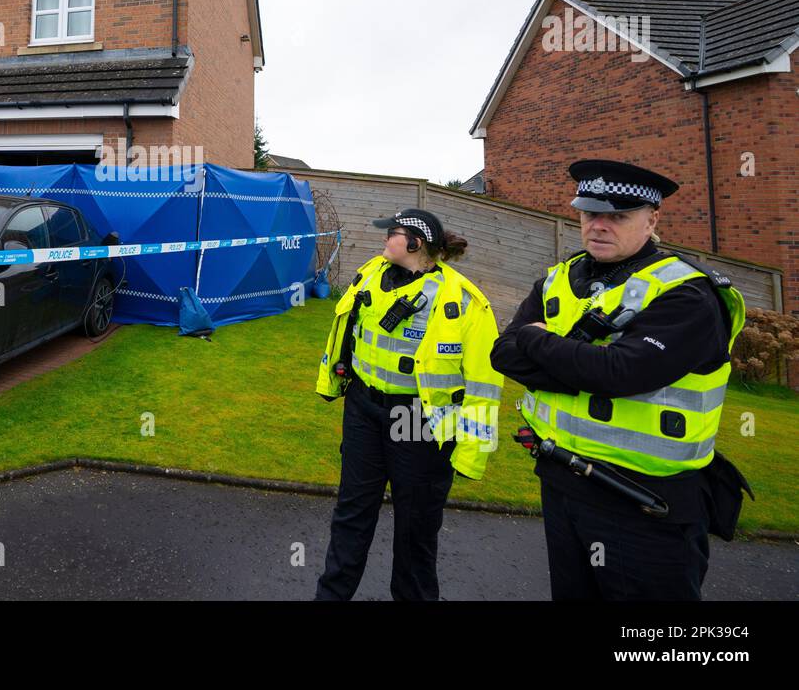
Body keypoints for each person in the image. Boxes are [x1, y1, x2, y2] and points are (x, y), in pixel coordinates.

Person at [491, 159, 748, 600]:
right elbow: (503, 355)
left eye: (618, 216)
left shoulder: (687, 293)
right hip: (563, 481)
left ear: (652, 219)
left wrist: (538, 342)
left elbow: (621, 372)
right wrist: (582, 364)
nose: (599, 226)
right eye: (591, 213)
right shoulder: (560, 277)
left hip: (644, 502)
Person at [314, 208, 503, 600]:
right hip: (364, 408)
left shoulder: (465, 301)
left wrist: (471, 452)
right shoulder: (370, 273)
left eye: (392, 233)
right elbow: (343, 332)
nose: (384, 238)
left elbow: (484, 383)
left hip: (418, 422)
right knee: (351, 515)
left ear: (416, 243)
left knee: (415, 530)